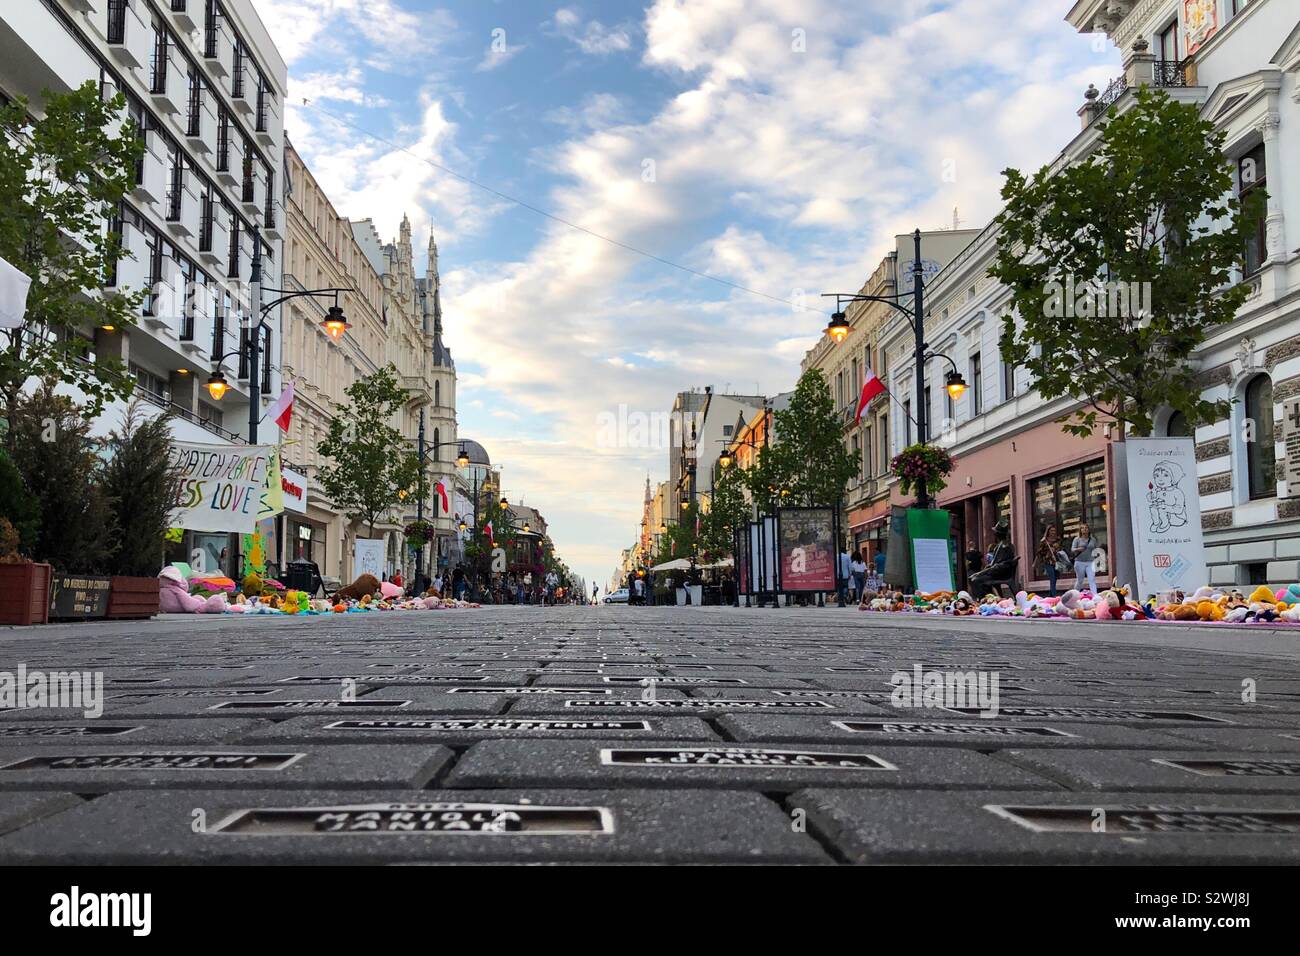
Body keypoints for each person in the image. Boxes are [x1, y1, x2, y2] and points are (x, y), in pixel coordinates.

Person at [1071, 523, 1100, 594]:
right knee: (1080, 580)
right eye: (1082, 528)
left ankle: (1095, 596)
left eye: (1086, 528)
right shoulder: (1077, 539)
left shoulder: (1093, 539)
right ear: (1080, 530)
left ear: (1088, 530)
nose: (1084, 529)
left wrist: (1098, 560)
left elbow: (1096, 550)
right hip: (1079, 562)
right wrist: (1078, 549)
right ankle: (1074, 595)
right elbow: (1072, 549)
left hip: (1090, 562)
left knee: (1092, 579)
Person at [1036, 526, 1064, 597]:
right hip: (1048, 561)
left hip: (1057, 561)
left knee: (1056, 577)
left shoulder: (1058, 539)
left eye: (1054, 530)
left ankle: (1051, 594)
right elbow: (1039, 552)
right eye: (1051, 530)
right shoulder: (1044, 540)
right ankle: (1054, 595)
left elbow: (1061, 548)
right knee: (1052, 578)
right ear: (1048, 531)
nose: (1053, 532)